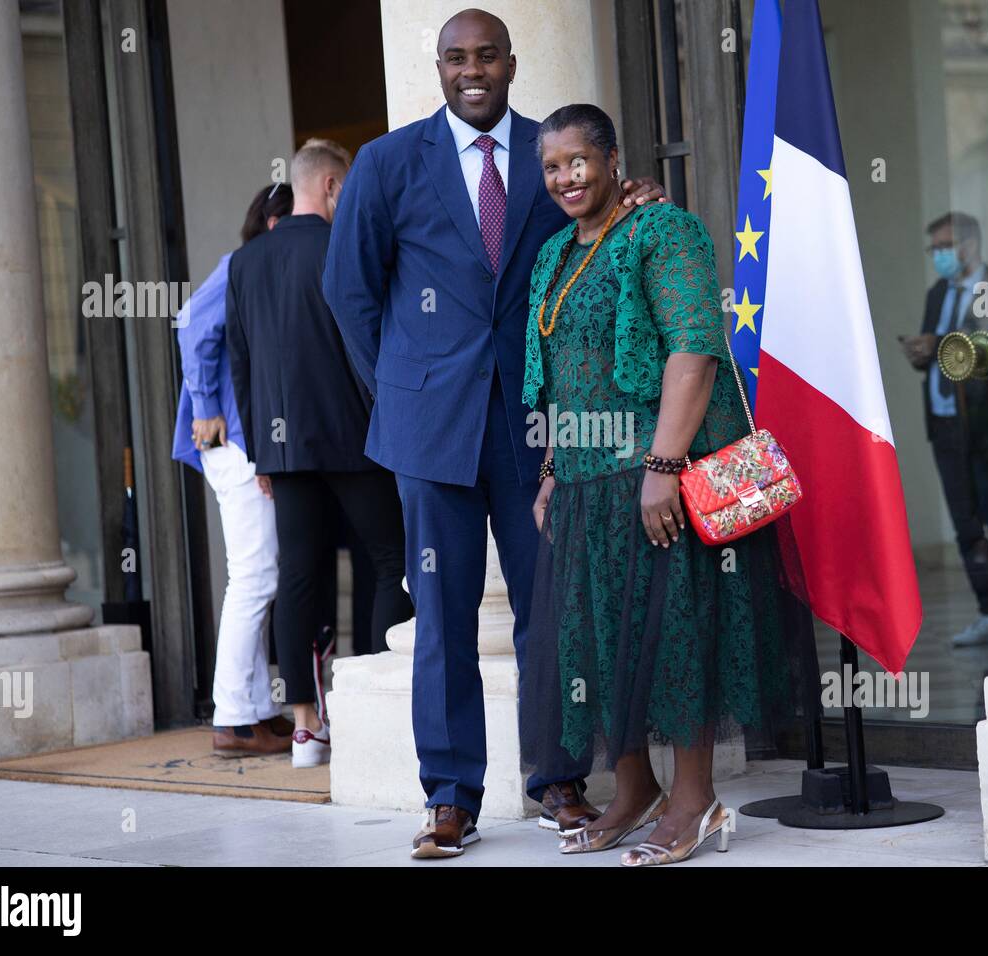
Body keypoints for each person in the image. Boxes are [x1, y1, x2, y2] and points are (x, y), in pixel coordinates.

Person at [323, 9, 665, 858]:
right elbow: (348, 292)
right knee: (440, 614)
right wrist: (405, 390)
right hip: (429, 436)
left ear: (511, 65)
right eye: (455, 59)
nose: (471, 71)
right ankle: (449, 796)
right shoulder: (388, 163)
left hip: (535, 432)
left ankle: (557, 780)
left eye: (486, 57)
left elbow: (597, 237)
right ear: (437, 67)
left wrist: (640, 203)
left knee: (552, 612)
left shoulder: (552, 162)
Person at [518, 104, 795, 867]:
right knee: (603, 649)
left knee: (675, 637)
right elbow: (557, 376)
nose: (567, 177)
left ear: (612, 160)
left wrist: (664, 467)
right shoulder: (549, 255)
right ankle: (635, 793)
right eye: (552, 166)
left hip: (649, 475)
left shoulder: (662, 231)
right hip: (582, 483)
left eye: (579, 161)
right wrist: (550, 468)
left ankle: (695, 801)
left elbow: (695, 349)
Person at [228, 138, 413, 769]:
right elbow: (371, 342)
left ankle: (306, 728)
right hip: (354, 435)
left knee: (298, 577)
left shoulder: (245, 262)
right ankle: (383, 703)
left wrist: (259, 454)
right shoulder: (343, 247)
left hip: (281, 445)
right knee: (392, 561)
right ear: (333, 186)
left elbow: (241, 364)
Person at [172, 183, 294, 758]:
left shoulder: (252, 268)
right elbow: (191, 321)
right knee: (254, 577)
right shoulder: (240, 265)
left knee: (258, 576)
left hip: (240, 443)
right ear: (275, 222)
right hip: (230, 443)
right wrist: (205, 407)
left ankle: (253, 712)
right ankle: (232, 718)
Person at [898, 211, 988, 650]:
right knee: (965, 525)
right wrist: (921, 352)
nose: (938, 256)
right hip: (945, 424)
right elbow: (937, 351)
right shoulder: (938, 292)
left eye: (944, 247)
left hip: (987, 426)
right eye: (933, 249)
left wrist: (940, 344)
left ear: (969, 246)